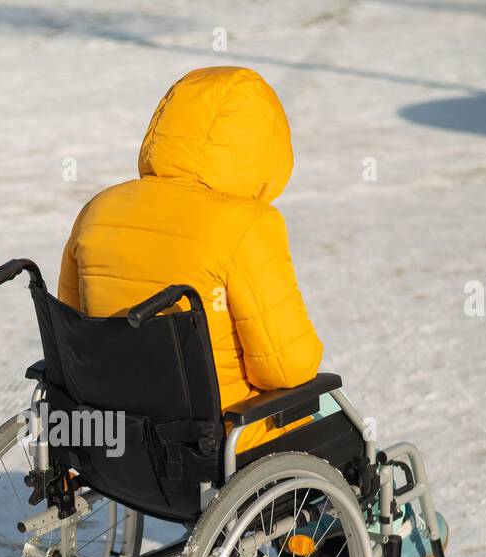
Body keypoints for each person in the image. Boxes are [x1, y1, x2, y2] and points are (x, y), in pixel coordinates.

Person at [58, 65, 324, 453]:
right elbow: (286, 368)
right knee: (335, 413)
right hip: (215, 439)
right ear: (265, 145)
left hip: (115, 434)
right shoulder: (247, 225)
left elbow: (75, 333)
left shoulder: (100, 208)